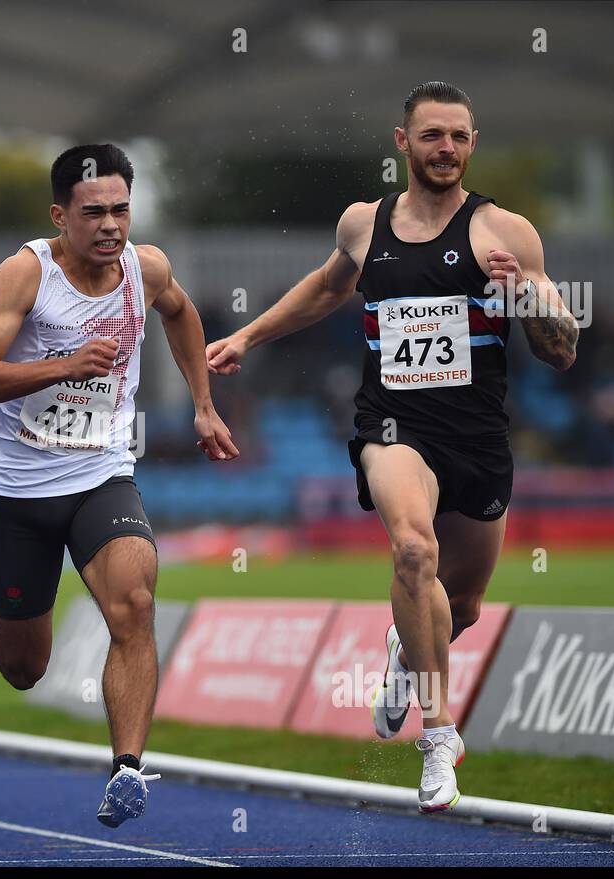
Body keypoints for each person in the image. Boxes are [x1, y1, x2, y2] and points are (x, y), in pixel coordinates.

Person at [206, 83, 579, 812]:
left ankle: (406, 656)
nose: (447, 149)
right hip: (392, 426)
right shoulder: (362, 224)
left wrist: (526, 296)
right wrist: (248, 335)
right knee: (413, 552)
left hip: (477, 436)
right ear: (402, 142)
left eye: (460, 137)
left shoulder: (506, 233)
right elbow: (325, 288)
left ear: (473, 144)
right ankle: (439, 737)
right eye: (433, 135)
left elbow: (563, 349)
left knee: (461, 607)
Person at [0, 143, 239, 827]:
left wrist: (202, 404)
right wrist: (62, 366)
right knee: (24, 666)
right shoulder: (26, 275)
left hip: (101, 475)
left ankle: (128, 769)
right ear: (60, 215)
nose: (111, 225)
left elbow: (182, 313)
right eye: (93, 212)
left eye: (121, 210)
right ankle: (4, 632)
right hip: (20, 492)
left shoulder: (147, 268)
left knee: (135, 601)